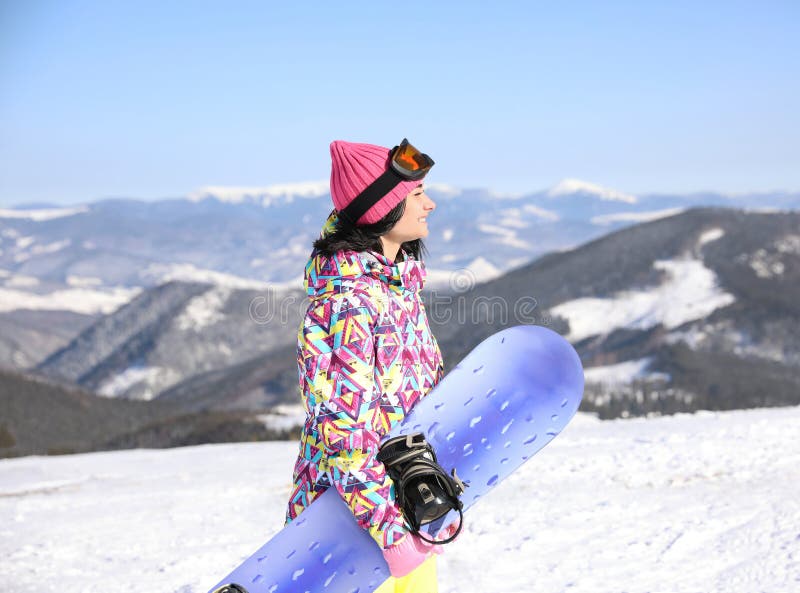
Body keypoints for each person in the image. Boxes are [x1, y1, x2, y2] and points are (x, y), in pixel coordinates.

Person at [285, 138, 446, 593]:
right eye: (417, 194)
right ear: (382, 211)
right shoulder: (346, 307)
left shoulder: (398, 293)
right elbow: (346, 434)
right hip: (355, 535)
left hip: (407, 517)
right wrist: (390, 533)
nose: (430, 204)